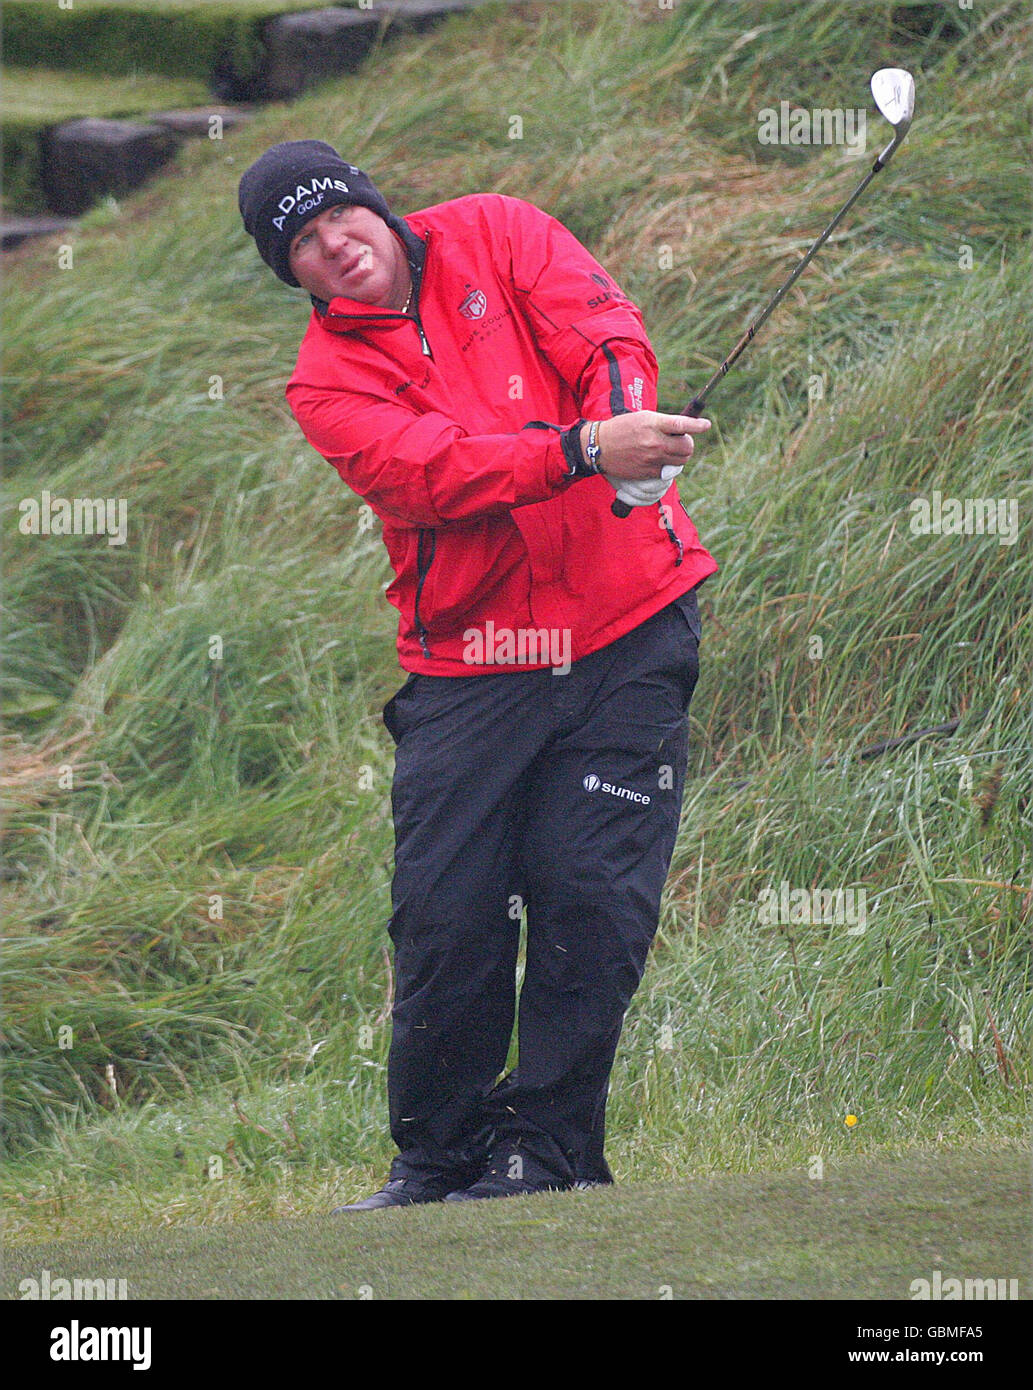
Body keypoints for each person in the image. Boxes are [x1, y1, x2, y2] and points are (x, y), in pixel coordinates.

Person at [238, 140, 717, 1209]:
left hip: (628, 621)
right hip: (470, 660)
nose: (335, 248)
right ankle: (435, 1160)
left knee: (589, 895)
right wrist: (590, 451)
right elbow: (436, 474)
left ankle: (539, 1155)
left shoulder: (497, 228)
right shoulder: (325, 384)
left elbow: (604, 331)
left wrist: (626, 423)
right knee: (445, 913)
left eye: (340, 220)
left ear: (372, 202)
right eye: (304, 248)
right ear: (296, 276)